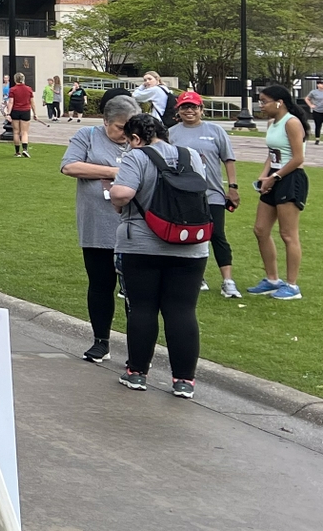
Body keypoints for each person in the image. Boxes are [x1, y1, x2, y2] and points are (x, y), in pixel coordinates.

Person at [109, 112, 219, 398]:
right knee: (182, 310)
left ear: (136, 137)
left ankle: (137, 373)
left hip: (143, 244)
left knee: (143, 307)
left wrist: (112, 196)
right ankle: (184, 380)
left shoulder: (137, 156)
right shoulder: (191, 155)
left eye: (128, 140)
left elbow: (122, 193)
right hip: (191, 245)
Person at [60, 94, 137, 362]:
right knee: (100, 284)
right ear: (105, 122)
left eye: (130, 128)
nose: (125, 134)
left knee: (135, 291)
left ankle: (138, 351)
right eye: (119, 127)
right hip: (97, 224)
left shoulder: (139, 138)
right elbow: (69, 167)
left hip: (134, 227)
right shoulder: (87, 135)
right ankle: (101, 341)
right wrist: (115, 172)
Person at [169, 91, 242, 298]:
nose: (189, 111)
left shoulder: (215, 131)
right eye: (184, 107)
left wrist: (233, 187)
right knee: (188, 235)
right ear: (179, 111)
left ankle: (228, 280)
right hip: (184, 193)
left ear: (201, 109)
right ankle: (195, 277)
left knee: (217, 234)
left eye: (193, 107)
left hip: (213, 193)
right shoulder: (172, 133)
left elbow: (228, 159)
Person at [246, 84, 308, 300]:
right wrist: (264, 176)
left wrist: (275, 177)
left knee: (288, 234)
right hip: (275, 176)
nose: (261, 105)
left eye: (264, 101)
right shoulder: (273, 123)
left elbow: (298, 158)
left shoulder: (291, 122)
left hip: (290, 179)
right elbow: (272, 154)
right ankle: (272, 280)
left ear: (278, 102)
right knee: (260, 230)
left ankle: (292, 286)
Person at [6, 72, 35, 158]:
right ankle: (25, 149)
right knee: (24, 132)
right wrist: (35, 113)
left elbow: (11, 102)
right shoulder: (29, 89)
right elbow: (32, 102)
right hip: (25, 111)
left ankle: (17, 152)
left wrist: (8, 113)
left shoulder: (13, 89)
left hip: (15, 111)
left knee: (16, 132)